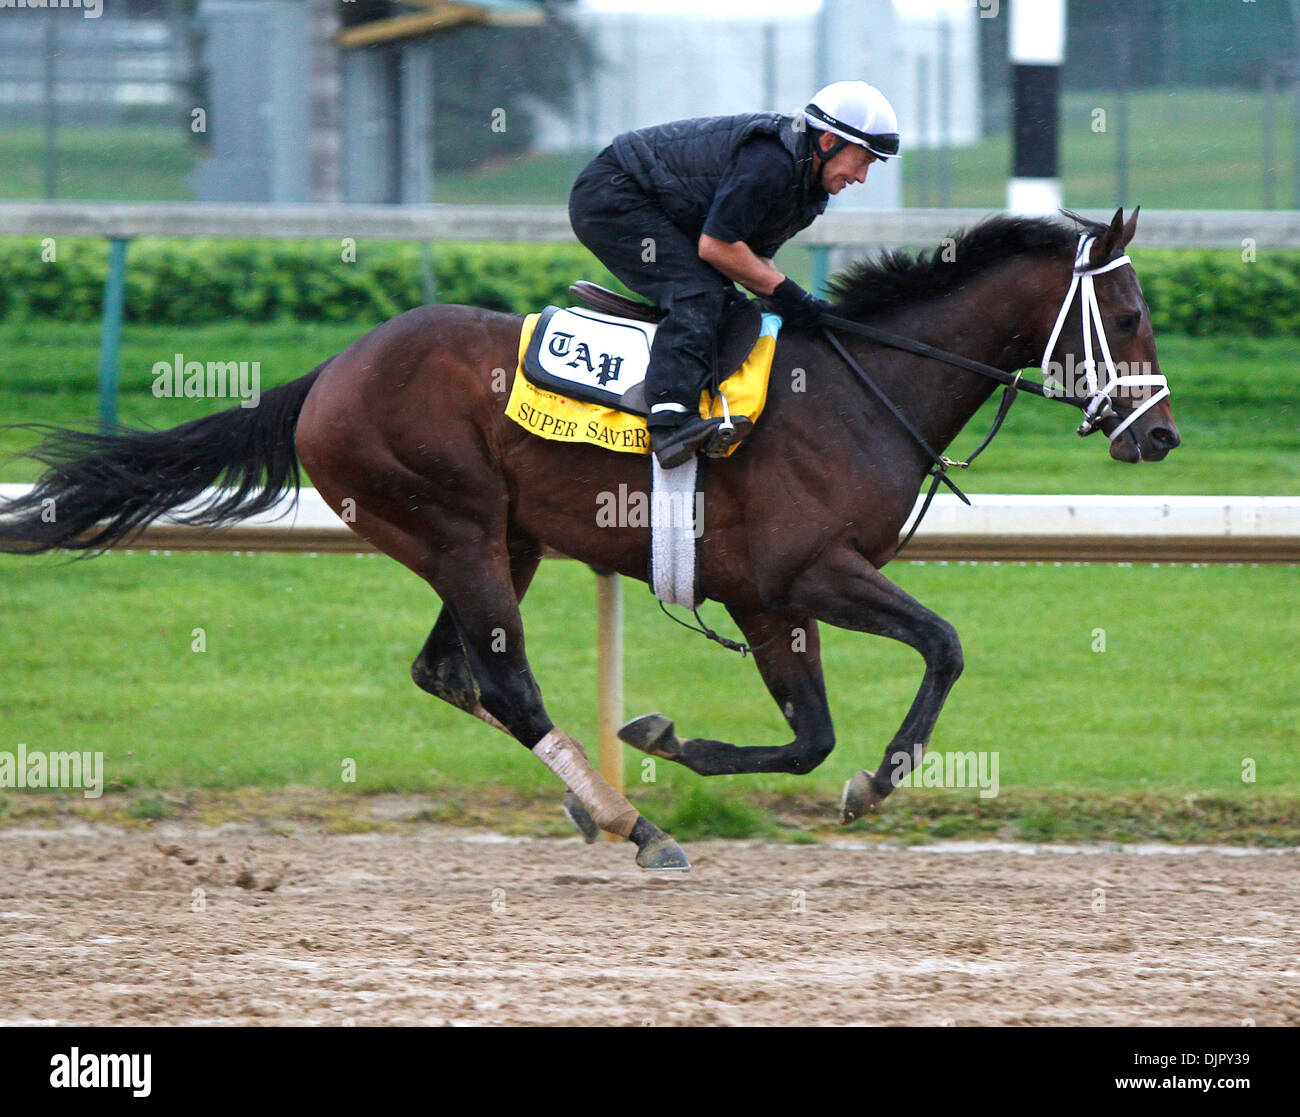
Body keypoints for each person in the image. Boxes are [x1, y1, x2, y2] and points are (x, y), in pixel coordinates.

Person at [568, 80, 900, 468]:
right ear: (828, 142)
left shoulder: (808, 191)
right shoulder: (772, 162)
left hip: (661, 207)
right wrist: (792, 296)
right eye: (863, 160)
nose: (861, 177)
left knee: (730, 305)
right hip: (613, 194)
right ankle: (670, 420)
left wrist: (803, 306)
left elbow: (752, 262)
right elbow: (716, 247)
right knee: (698, 293)